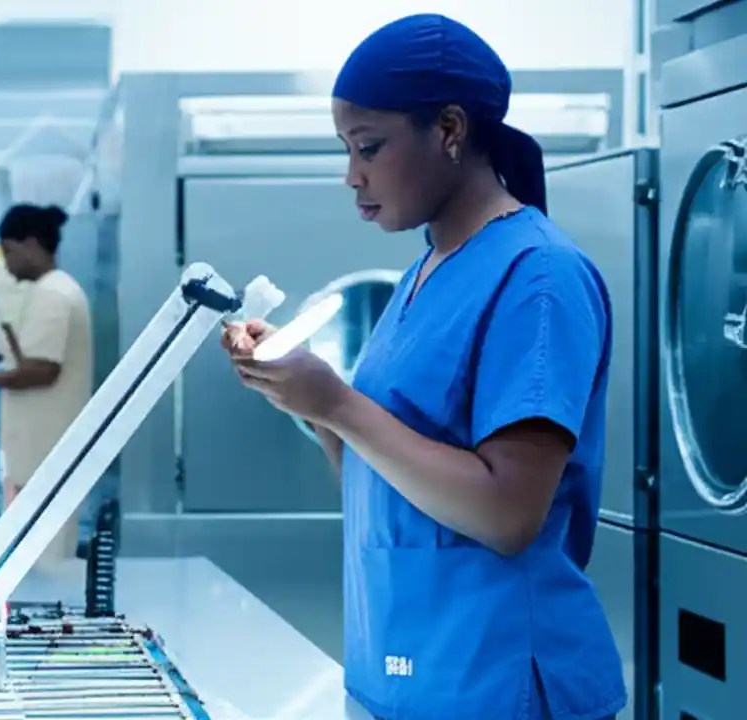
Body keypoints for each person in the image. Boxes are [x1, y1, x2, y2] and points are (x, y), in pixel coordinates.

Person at [223, 14, 625, 720]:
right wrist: (303, 399)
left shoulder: (538, 277)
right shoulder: (422, 277)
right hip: (400, 675)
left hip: (497, 682)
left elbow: (506, 515)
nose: (352, 175)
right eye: (346, 149)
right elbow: (381, 492)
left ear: (448, 129)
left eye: (368, 147)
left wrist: (339, 405)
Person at [0, 204, 93, 567]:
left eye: (8, 252)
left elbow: (41, 371)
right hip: (42, 453)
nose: (7, 263)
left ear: (30, 245)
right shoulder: (57, 289)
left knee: (41, 561)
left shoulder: (52, 294)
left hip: (43, 454)